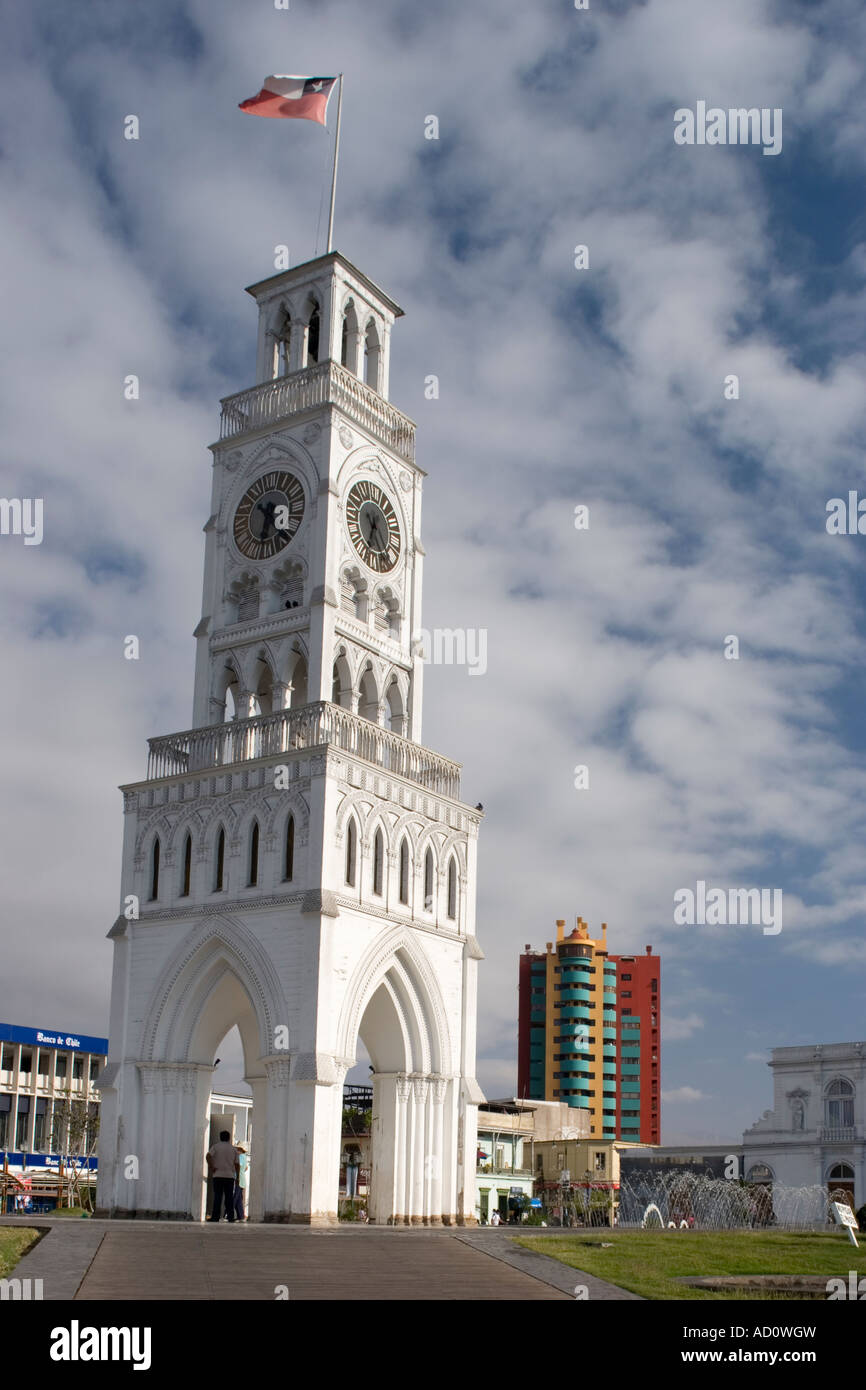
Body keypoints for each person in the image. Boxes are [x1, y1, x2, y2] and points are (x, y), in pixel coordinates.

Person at [206, 1130, 239, 1223]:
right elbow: (237, 1164)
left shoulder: (216, 1147)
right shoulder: (233, 1149)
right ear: (229, 1138)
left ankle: (215, 1217)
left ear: (220, 1137)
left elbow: (208, 1156)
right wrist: (238, 1177)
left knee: (218, 1197)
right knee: (229, 1197)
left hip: (218, 1175)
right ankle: (231, 1217)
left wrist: (212, 1167)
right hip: (230, 1176)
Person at [233, 1145, 249, 1221]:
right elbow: (246, 1168)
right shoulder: (244, 1157)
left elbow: (239, 1165)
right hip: (241, 1179)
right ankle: (241, 1216)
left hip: (238, 1179)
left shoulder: (241, 1157)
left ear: (240, 1150)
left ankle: (227, 1213)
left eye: (237, 1149)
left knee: (234, 1198)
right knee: (238, 1199)